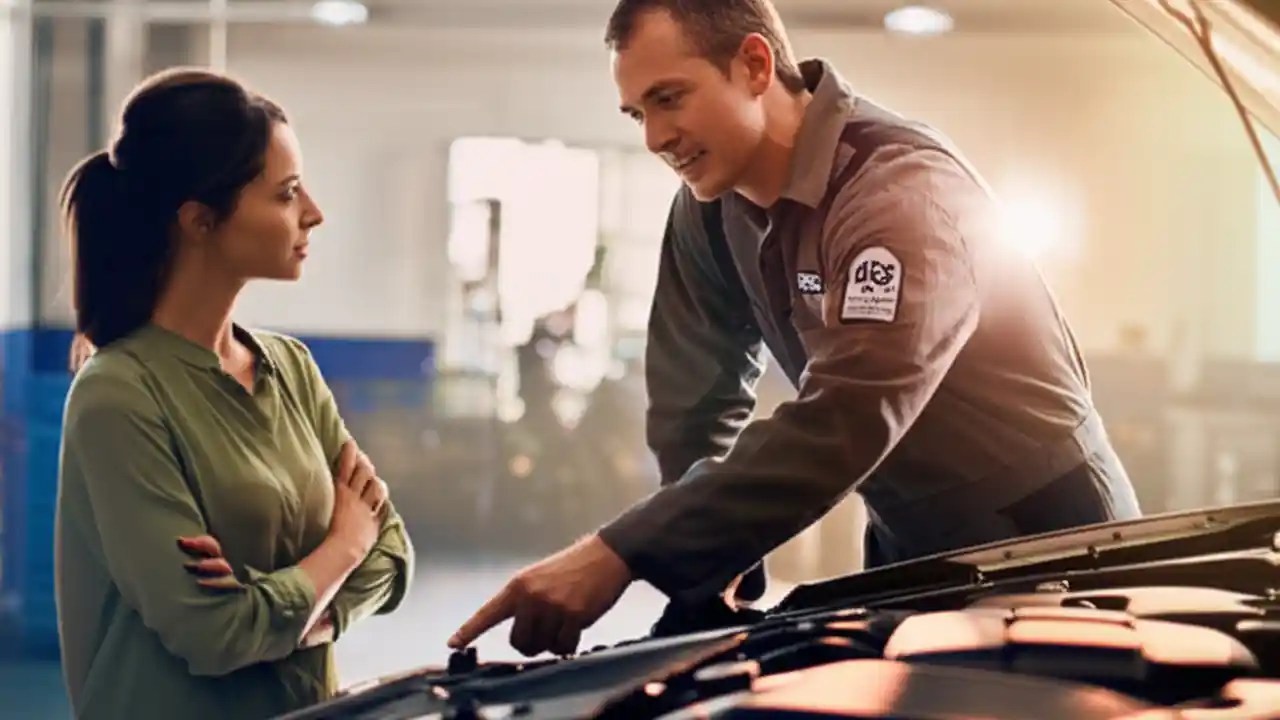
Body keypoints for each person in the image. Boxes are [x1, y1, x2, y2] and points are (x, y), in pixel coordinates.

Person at [448, 0, 1142, 658]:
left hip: (1048, 535)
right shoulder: (711, 209)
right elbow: (695, 398)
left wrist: (624, 550)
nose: (656, 138)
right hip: (906, 535)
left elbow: (850, 414)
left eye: (670, 98)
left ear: (753, 66)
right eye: (637, 114)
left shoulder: (897, 194)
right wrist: (710, 563)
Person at [53, 68, 414, 720]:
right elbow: (212, 636)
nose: (314, 213)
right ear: (200, 221)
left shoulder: (291, 366)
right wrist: (341, 545)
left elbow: (392, 555)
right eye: (287, 193)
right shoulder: (118, 397)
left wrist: (275, 610)